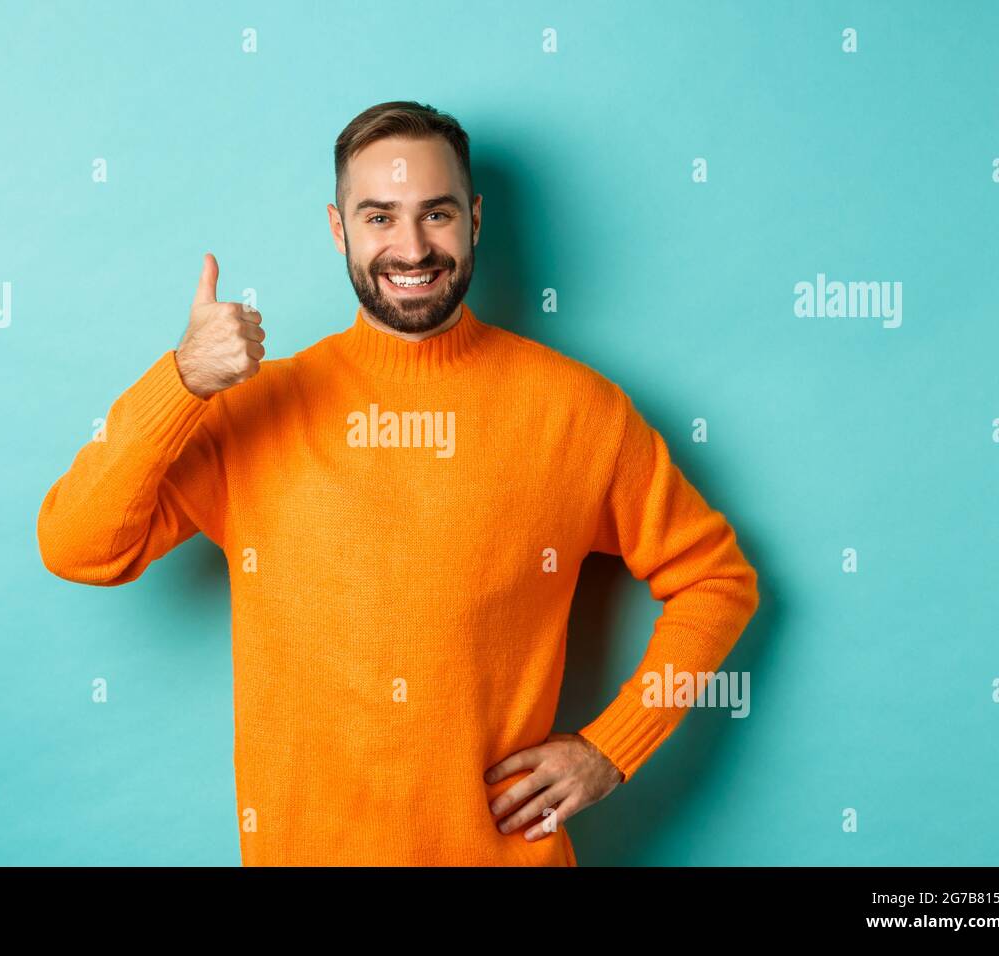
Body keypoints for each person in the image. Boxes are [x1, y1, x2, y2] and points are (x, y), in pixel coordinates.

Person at [37, 100, 760, 866]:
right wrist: (181, 381)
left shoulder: (576, 411)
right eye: (379, 217)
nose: (411, 247)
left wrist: (612, 749)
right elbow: (78, 548)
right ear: (338, 228)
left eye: (436, 213)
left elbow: (715, 579)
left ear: (475, 220)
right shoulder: (255, 410)